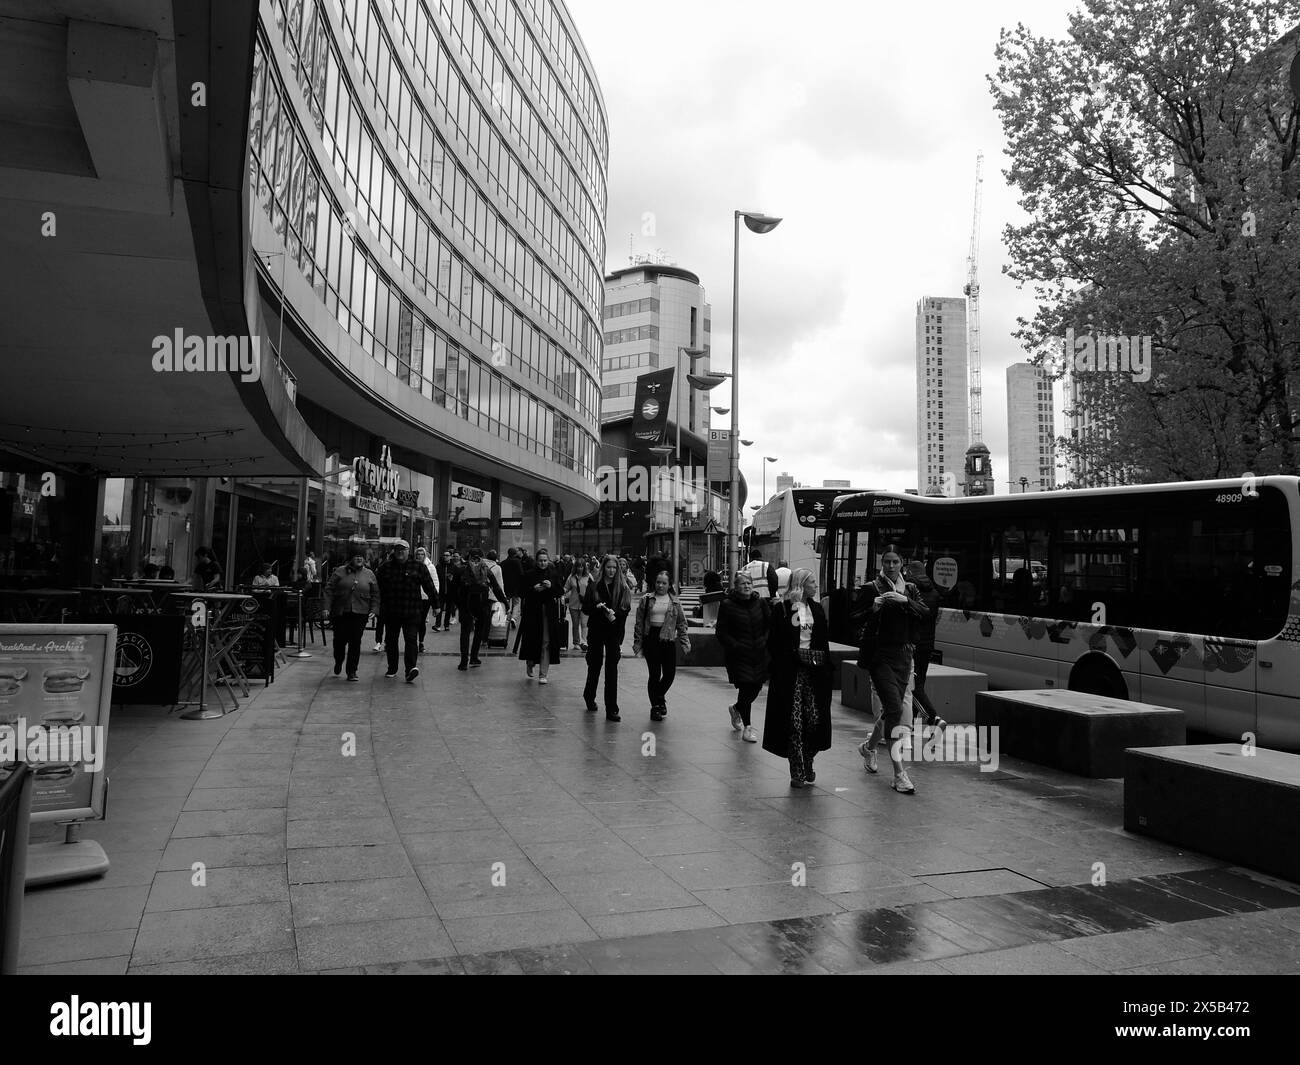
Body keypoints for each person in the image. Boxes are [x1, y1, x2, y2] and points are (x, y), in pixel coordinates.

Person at [856, 547, 929, 794]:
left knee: (891, 710)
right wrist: (873, 608)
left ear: (901, 564)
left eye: (895, 561)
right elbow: (852, 618)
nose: (890, 566)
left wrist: (905, 600)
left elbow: (926, 612)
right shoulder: (871, 588)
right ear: (881, 564)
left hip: (904, 656)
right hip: (880, 657)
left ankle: (869, 747)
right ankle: (899, 773)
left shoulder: (910, 589)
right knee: (896, 709)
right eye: (886, 561)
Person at [762, 568, 833, 787]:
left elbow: (823, 641)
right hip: (790, 673)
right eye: (812, 582)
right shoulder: (784, 609)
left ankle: (808, 758)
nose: (815, 586)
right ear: (801, 585)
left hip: (814, 672)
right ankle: (797, 771)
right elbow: (775, 642)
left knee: (815, 721)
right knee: (794, 722)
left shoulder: (817, 609)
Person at [715, 569, 770, 743]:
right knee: (746, 688)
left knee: (756, 688)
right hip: (739, 655)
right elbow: (721, 632)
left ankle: (736, 708)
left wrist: (765, 641)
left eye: (749, 583)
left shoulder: (760, 603)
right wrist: (736, 646)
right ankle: (748, 727)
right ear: (735, 587)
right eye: (742, 584)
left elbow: (770, 625)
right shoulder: (727, 605)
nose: (746, 586)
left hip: (760, 654)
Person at [374, 539, 438, 682]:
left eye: (403, 549)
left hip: (412, 610)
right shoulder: (385, 567)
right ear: (394, 551)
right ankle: (392, 668)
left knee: (411, 640)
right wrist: (377, 606)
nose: (400, 552)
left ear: (408, 551)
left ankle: (410, 669)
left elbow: (429, 585)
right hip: (392, 611)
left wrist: (436, 605)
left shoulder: (418, 566)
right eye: (397, 549)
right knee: (391, 641)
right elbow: (377, 588)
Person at [632, 570, 690, 721]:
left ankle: (659, 697)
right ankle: (655, 707)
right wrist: (637, 644)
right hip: (651, 639)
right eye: (658, 582)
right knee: (655, 674)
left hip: (668, 639)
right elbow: (639, 623)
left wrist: (684, 641)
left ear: (669, 584)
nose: (660, 585)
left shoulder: (675, 601)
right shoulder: (647, 599)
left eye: (664, 583)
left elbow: (682, 623)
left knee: (669, 674)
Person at [583, 555, 632, 721]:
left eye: (614, 568)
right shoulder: (594, 586)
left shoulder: (622, 587)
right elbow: (586, 609)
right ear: (603, 568)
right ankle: (589, 696)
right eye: (609, 567)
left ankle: (612, 708)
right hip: (596, 630)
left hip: (613, 631)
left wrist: (615, 614)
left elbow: (626, 609)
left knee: (612, 669)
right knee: (594, 665)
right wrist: (598, 608)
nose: (611, 571)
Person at [904, 559, 946, 734]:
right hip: (927, 645)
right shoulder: (935, 593)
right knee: (919, 682)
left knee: (910, 685)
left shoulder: (910, 591)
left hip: (912, 644)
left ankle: (933, 718)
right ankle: (912, 722)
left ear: (911, 573)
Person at [327, 547, 379, 681]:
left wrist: (374, 609)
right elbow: (329, 590)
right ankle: (338, 660)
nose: (359, 558)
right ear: (351, 558)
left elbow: (375, 594)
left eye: (361, 556)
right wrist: (326, 607)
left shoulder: (369, 574)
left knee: (355, 642)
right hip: (341, 612)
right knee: (339, 641)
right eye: (356, 556)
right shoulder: (340, 571)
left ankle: (352, 671)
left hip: (360, 612)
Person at [518, 548, 565, 683]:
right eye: (540, 561)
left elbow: (560, 591)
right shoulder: (529, 574)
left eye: (545, 560)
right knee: (532, 639)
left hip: (548, 612)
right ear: (536, 561)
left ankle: (543, 674)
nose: (543, 563)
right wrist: (533, 589)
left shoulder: (553, 574)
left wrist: (550, 587)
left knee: (546, 641)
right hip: (533, 611)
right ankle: (530, 661)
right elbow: (521, 592)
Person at [455, 547, 505, 670]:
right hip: (481, 603)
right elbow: (496, 588)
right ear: (481, 557)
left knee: (465, 631)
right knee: (479, 630)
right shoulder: (486, 570)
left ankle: (463, 661)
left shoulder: (461, 570)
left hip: (465, 604)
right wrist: (504, 602)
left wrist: (456, 604)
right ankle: (474, 657)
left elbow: (453, 589)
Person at [414, 546, 441, 653]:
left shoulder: (430, 567)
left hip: (425, 597)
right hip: (414, 597)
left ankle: (421, 642)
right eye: (418, 554)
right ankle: (413, 642)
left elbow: (435, 582)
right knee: (414, 621)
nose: (420, 556)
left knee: (421, 621)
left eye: (422, 554)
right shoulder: (412, 566)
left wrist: (435, 598)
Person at [564, 558, 592, 653]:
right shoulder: (571, 577)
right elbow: (566, 588)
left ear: (584, 567)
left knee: (584, 624)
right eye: (578, 566)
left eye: (582, 566)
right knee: (575, 624)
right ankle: (576, 642)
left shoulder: (589, 576)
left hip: (586, 605)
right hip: (573, 605)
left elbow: (594, 588)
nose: (580, 568)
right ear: (575, 567)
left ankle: (584, 642)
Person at [437, 550, 459, 631]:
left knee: (449, 609)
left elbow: (457, 579)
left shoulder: (454, 567)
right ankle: (438, 625)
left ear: (450, 556)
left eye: (447, 555)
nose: (445, 557)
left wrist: (452, 579)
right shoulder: (439, 566)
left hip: (450, 591)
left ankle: (446, 625)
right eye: (444, 555)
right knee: (439, 608)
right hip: (441, 591)